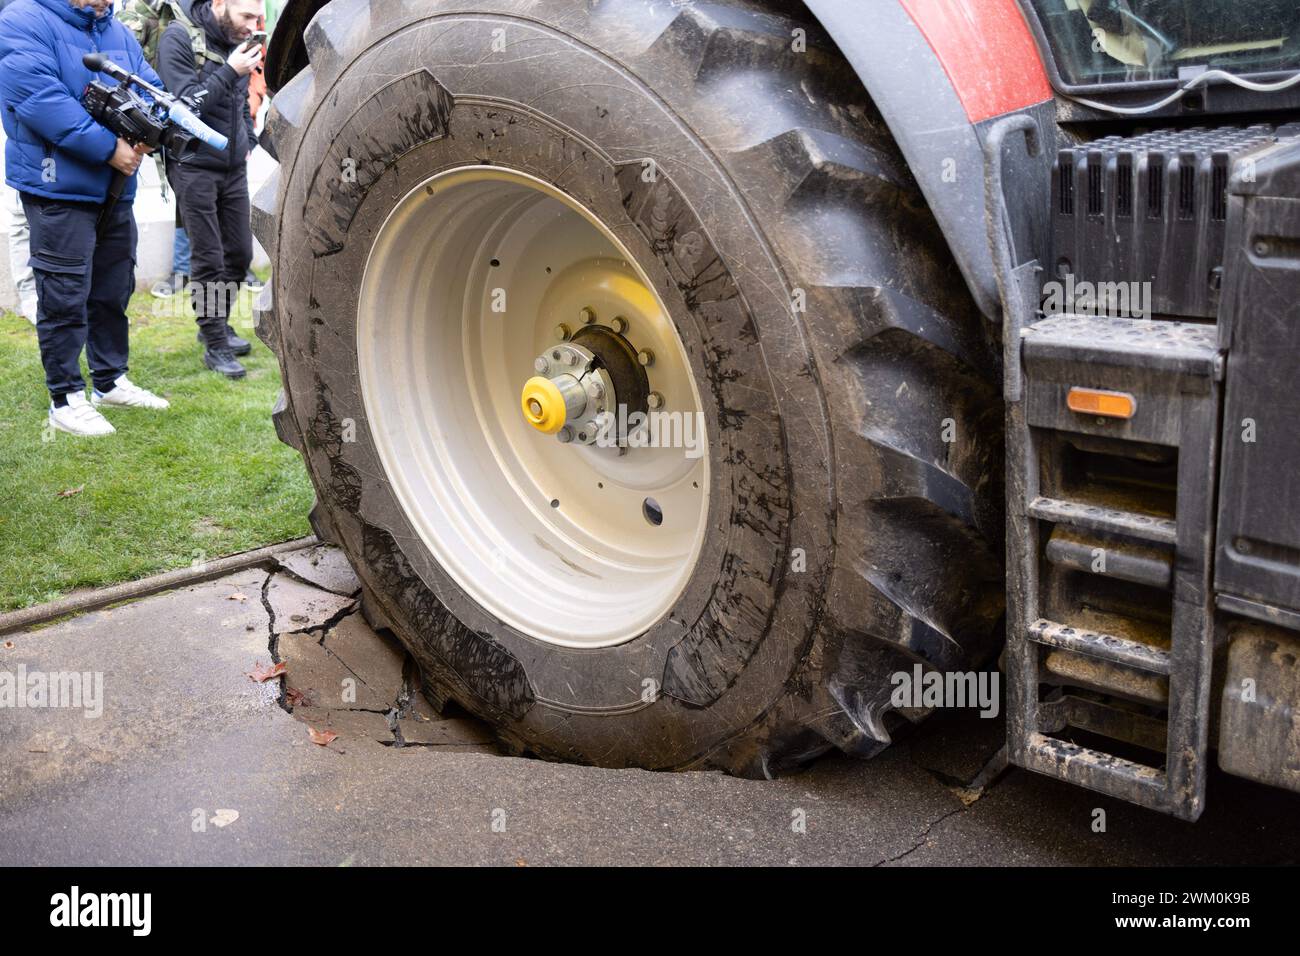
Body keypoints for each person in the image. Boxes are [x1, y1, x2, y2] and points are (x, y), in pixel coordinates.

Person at [0, 0, 170, 437]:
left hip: (115, 188)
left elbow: (149, 86)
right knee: (63, 295)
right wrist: (110, 148)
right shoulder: (21, 18)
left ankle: (110, 381)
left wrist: (153, 131)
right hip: (57, 185)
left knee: (113, 288)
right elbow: (39, 99)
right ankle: (66, 398)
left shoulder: (115, 29)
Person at [156, 0, 262, 380]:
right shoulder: (178, 38)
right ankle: (215, 342)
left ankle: (216, 324)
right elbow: (185, 106)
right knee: (208, 259)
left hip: (233, 168)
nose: (253, 26)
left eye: (258, 18)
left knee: (239, 253)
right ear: (220, 4)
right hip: (193, 167)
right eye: (247, 16)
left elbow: (239, 101)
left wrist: (248, 140)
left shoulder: (233, 40)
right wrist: (231, 68)